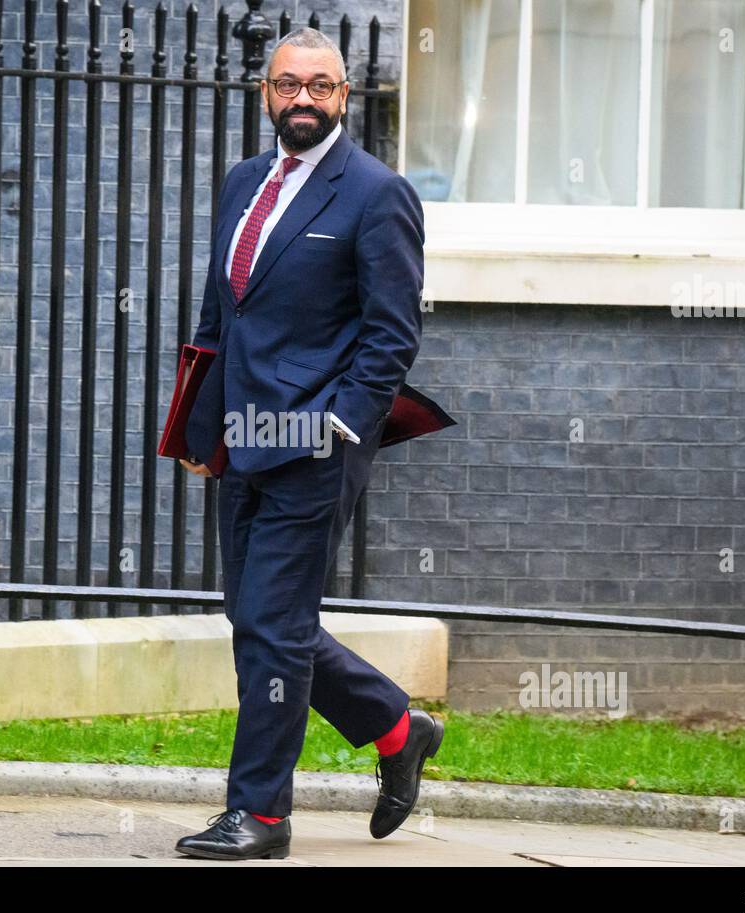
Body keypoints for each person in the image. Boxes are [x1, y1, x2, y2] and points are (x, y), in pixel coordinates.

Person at [174, 27, 443, 861]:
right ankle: (396, 728)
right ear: (265, 92)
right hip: (243, 437)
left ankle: (261, 814)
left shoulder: (375, 193)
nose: (303, 99)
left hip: (315, 444)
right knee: (254, 616)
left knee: (274, 628)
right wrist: (198, 421)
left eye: (320, 87)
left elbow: (392, 333)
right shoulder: (242, 183)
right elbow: (224, 316)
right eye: (289, 85)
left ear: (343, 97)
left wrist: (339, 427)